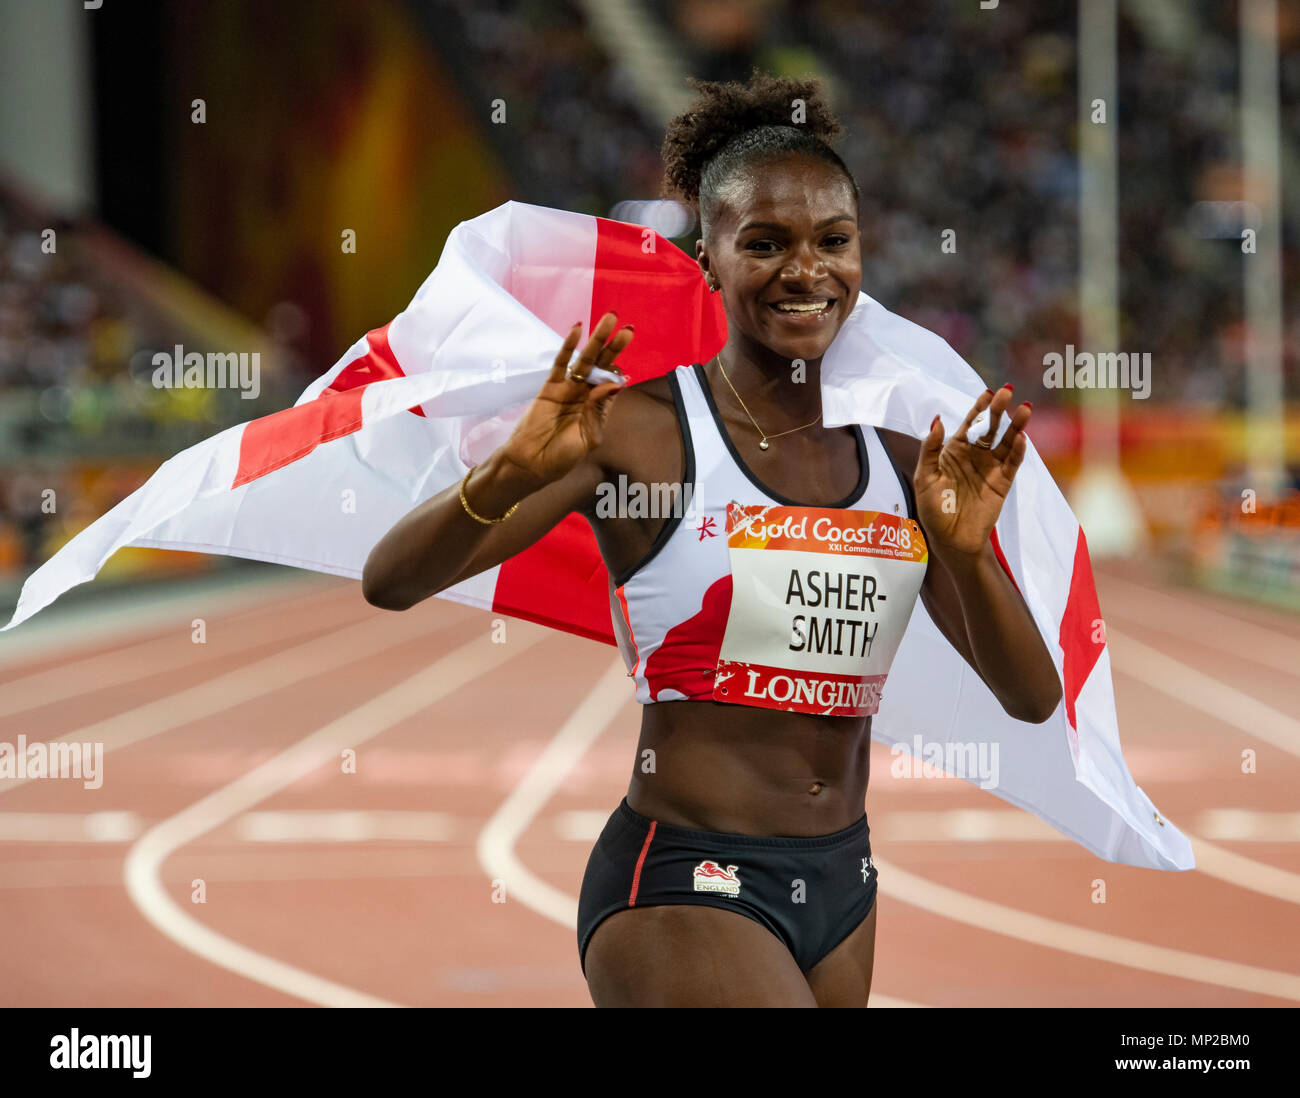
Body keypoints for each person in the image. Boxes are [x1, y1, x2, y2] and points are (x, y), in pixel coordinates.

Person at [361, 71, 1062, 1007]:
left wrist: (966, 556)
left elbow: (1031, 696)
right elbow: (391, 580)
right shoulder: (636, 431)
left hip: (843, 882)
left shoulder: (905, 465)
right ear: (709, 258)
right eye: (765, 243)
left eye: (833, 243)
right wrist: (506, 476)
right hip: (683, 877)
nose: (805, 272)